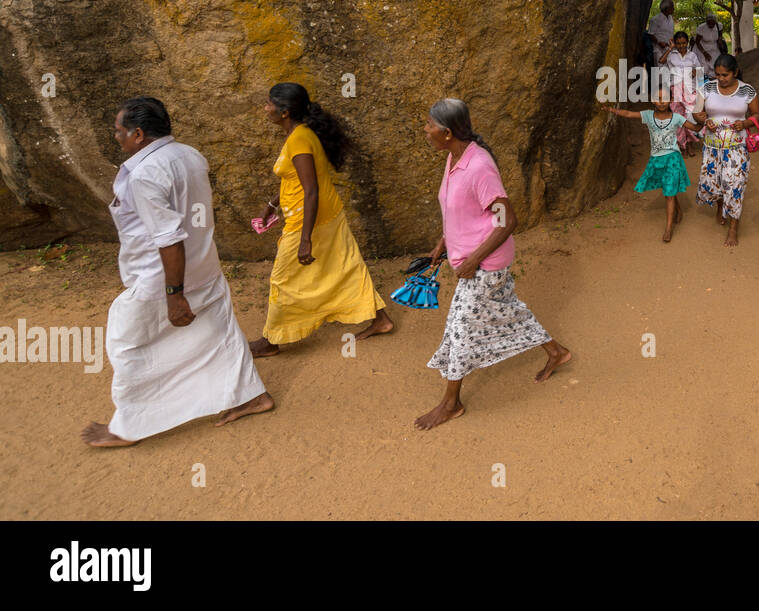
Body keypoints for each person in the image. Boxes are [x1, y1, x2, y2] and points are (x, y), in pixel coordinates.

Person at [82, 97, 272, 447]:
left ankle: (128, 427)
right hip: (204, 262)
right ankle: (252, 396)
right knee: (218, 329)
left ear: (138, 134)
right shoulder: (190, 155)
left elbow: (169, 237)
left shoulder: (144, 174)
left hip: (162, 275)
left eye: (119, 131)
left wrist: (175, 295)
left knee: (127, 343)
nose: (116, 137)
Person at [416, 99, 571, 429]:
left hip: (486, 264)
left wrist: (473, 260)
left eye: (429, 125)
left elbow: (507, 220)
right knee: (507, 310)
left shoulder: (478, 166)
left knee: (459, 330)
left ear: (446, 132)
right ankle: (556, 352)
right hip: (470, 258)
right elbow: (460, 209)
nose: (425, 131)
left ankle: (451, 404)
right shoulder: (453, 157)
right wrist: (445, 241)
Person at [247, 83, 390, 357]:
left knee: (282, 278)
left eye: (269, 104)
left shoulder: (299, 140)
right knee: (343, 265)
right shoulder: (301, 134)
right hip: (327, 215)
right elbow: (297, 181)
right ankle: (381, 319)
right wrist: (271, 205)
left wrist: (305, 240)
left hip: (309, 222)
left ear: (285, 112)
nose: (265, 109)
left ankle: (271, 341)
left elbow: (310, 190)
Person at [604, 85, 703, 242]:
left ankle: (668, 228)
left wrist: (702, 120)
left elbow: (696, 127)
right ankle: (678, 210)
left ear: (671, 100)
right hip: (656, 159)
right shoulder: (648, 115)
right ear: (652, 100)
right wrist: (612, 110)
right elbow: (629, 113)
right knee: (667, 189)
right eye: (658, 99)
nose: (661, 102)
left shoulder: (677, 118)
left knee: (668, 194)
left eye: (665, 99)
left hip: (672, 158)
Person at [692, 54, 759, 247]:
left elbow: (758, 114)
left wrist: (745, 122)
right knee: (716, 181)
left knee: (734, 184)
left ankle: (733, 227)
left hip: (737, 148)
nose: (721, 79)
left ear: (735, 72)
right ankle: (720, 205)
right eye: (718, 75)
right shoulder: (706, 88)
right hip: (712, 148)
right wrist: (705, 120)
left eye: (725, 75)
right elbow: (696, 113)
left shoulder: (747, 91)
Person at [658, 31, 705, 156]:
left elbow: (700, 72)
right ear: (675, 43)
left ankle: (690, 144)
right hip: (675, 90)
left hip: (690, 90)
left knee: (690, 117)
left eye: (683, 43)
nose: (681, 46)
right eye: (678, 43)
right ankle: (682, 146)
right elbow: (661, 61)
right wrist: (670, 48)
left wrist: (696, 72)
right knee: (678, 119)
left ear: (687, 43)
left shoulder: (692, 56)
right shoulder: (671, 55)